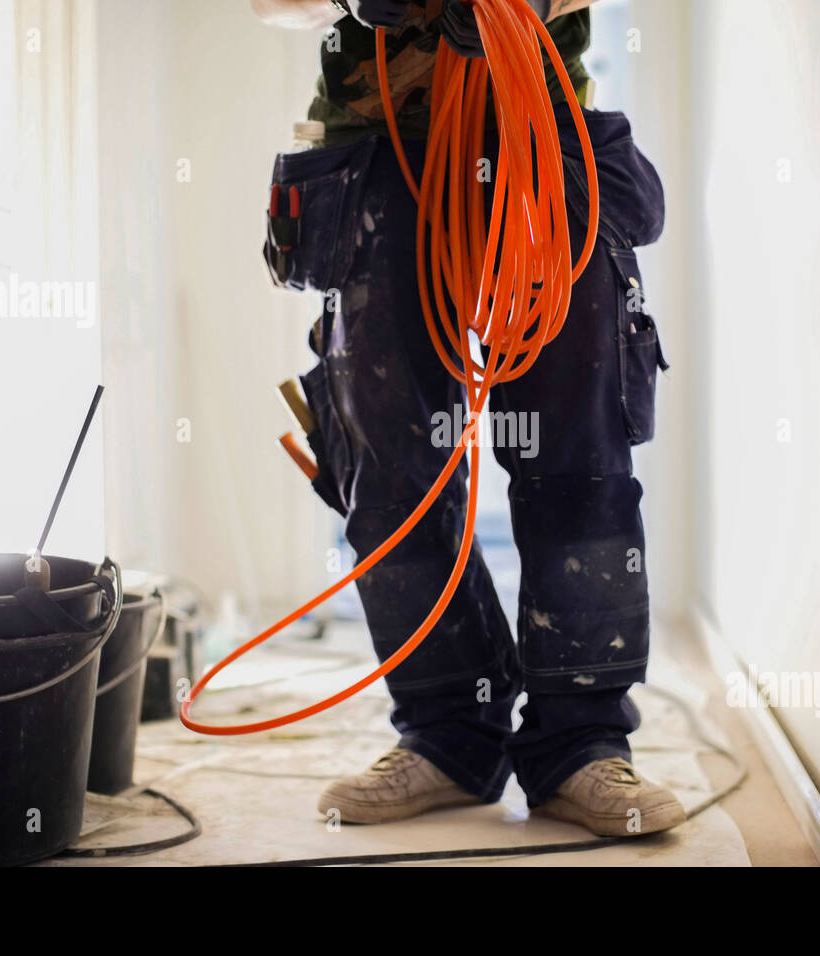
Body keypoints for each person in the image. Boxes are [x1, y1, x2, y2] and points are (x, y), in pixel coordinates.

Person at [254, 0, 681, 837]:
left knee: (579, 454)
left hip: (542, 138)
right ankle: (450, 735)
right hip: (377, 158)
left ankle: (581, 746)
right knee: (388, 470)